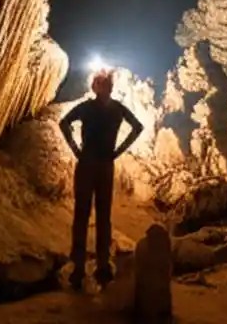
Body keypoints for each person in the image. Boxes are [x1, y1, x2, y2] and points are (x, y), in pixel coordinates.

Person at [59, 69, 143, 290]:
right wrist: (117, 151)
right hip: (102, 164)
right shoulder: (115, 109)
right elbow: (137, 127)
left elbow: (64, 123)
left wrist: (77, 149)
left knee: (85, 215)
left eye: (105, 85)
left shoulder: (89, 107)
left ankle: (83, 266)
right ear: (101, 87)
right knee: (99, 215)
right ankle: (99, 266)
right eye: (103, 85)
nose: (105, 89)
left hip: (90, 163)